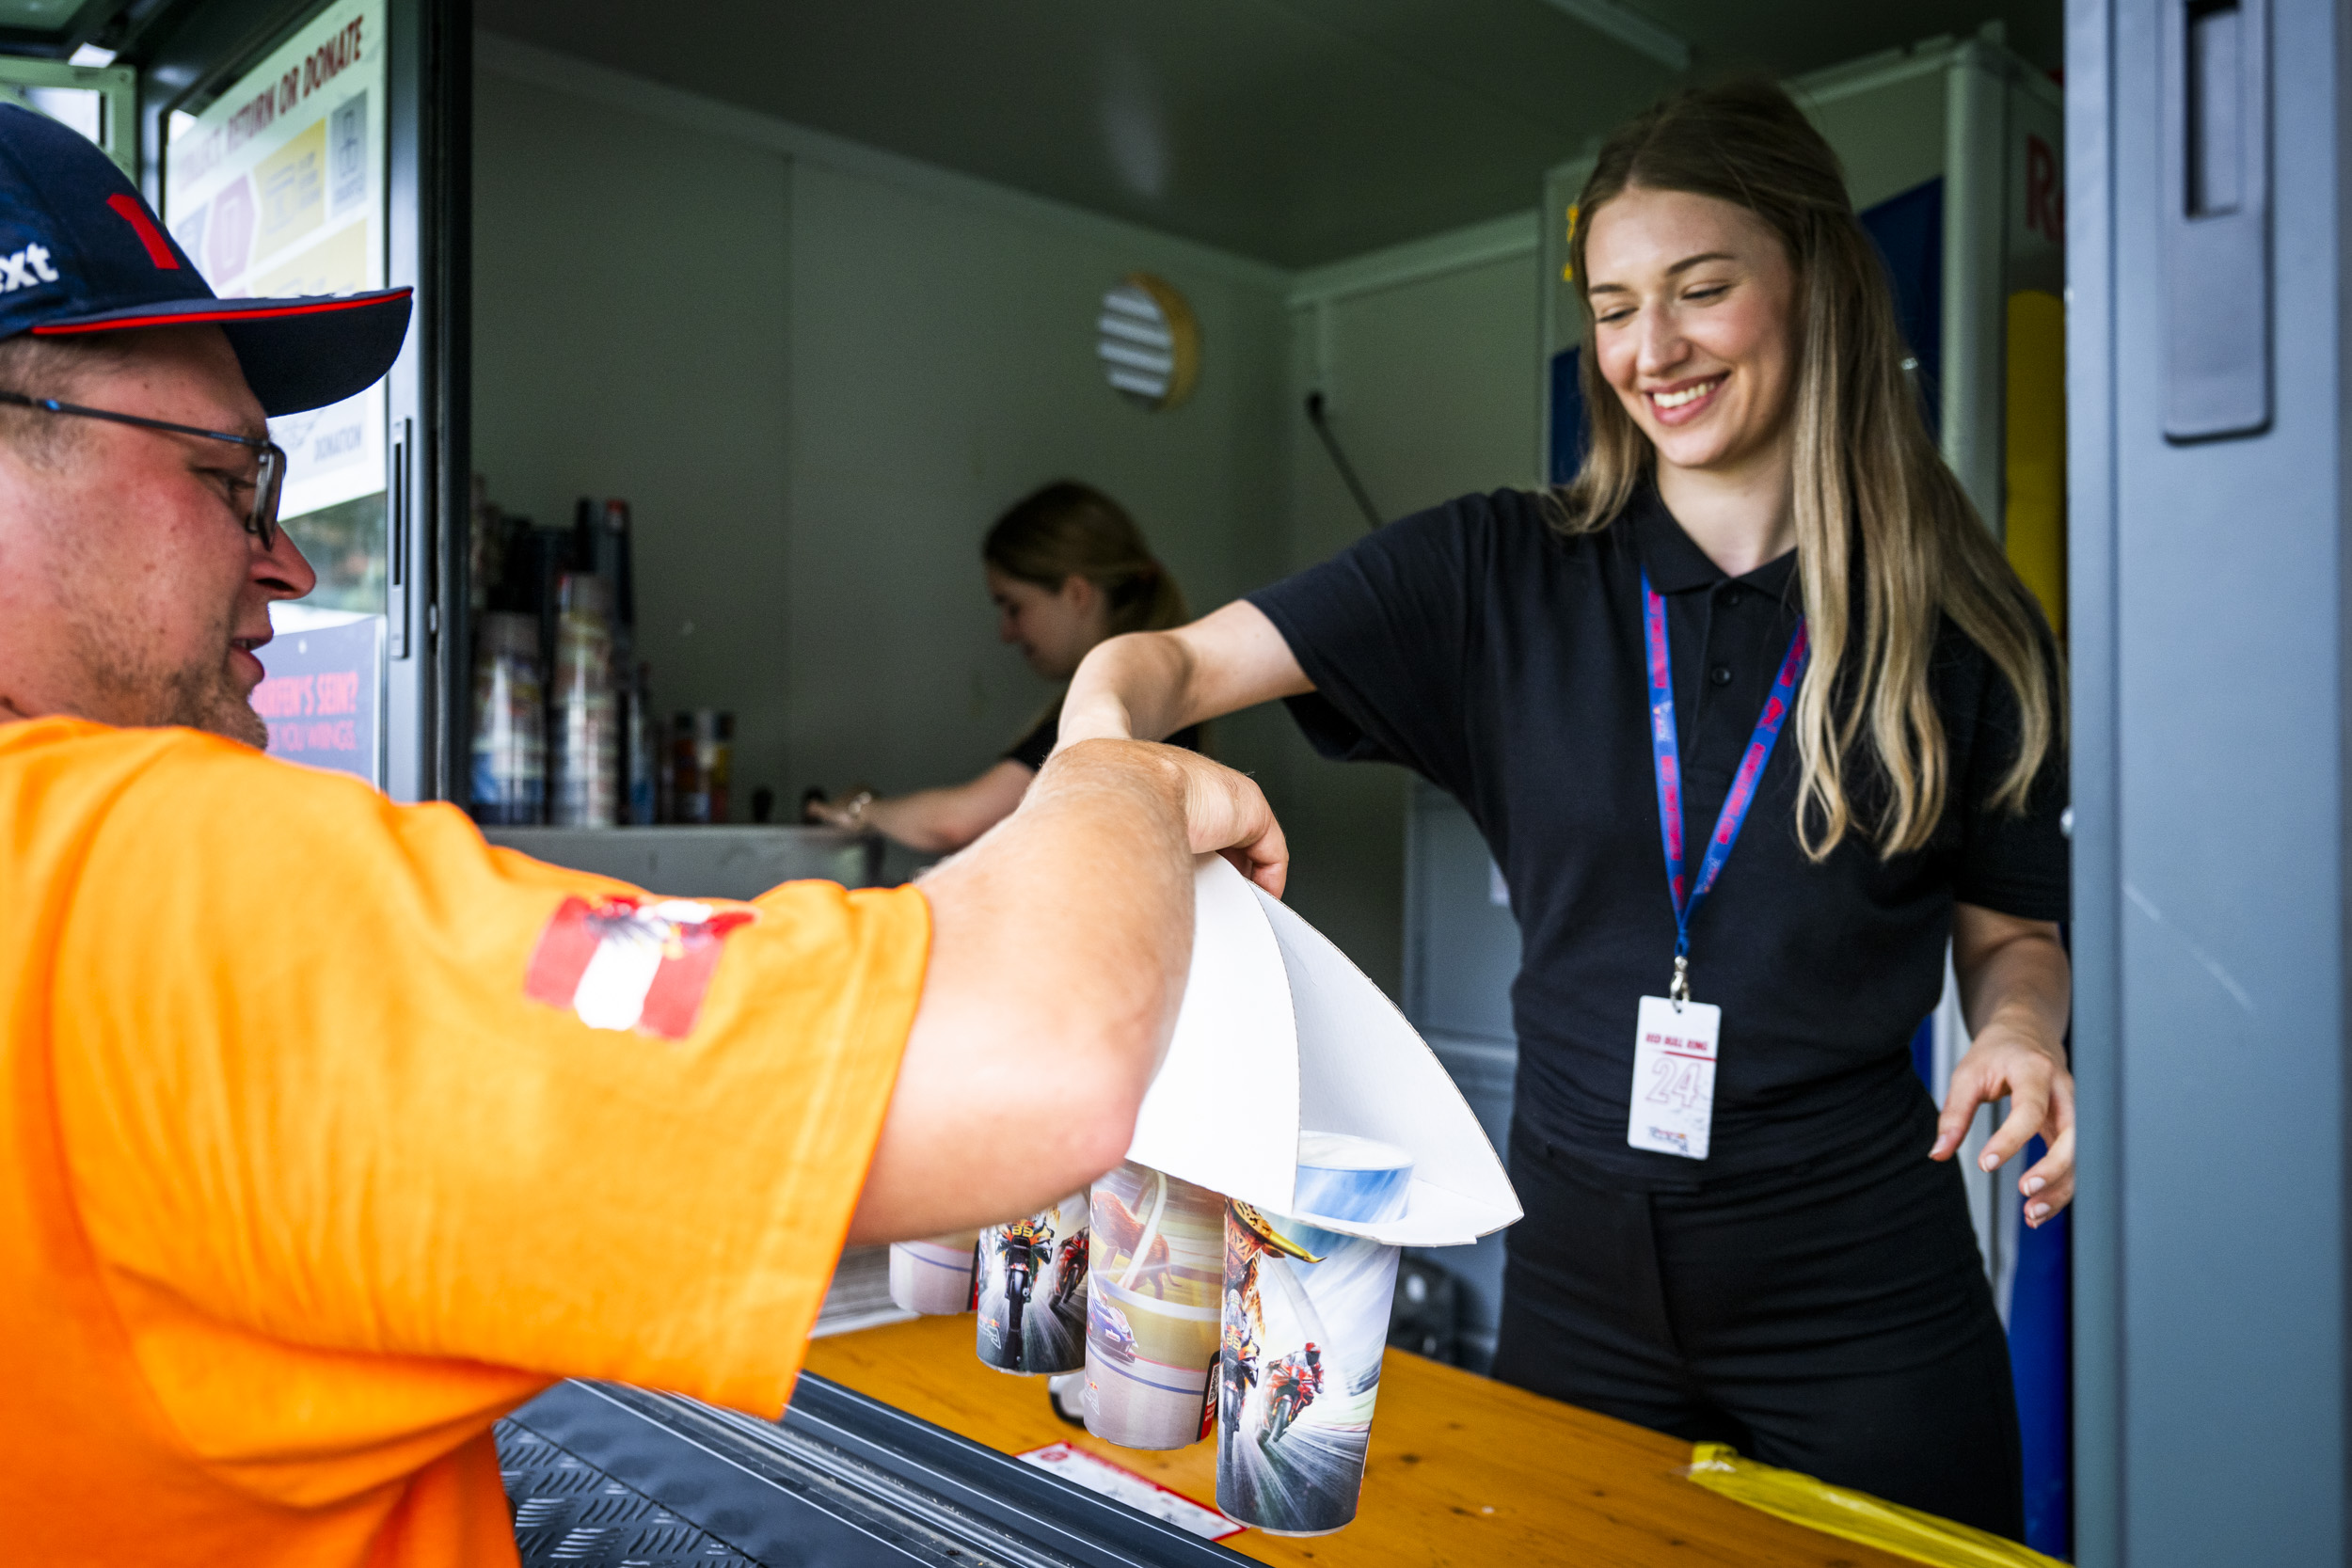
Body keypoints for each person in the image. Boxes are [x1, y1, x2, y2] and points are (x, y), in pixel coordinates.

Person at [0, 104, 1282, 1564]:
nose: (285, 559)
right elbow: (1025, 1053)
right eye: (229, 481)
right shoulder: (142, 883)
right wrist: (1126, 752)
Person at [1058, 80, 2070, 1537]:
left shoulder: (1962, 623)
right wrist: (1106, 766)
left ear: (1817, 286)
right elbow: (1160, 661)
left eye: (1701, 290)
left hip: (1859, 1280)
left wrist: (2024, 1023)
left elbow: (2012, 927)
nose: (1649, 350)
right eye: (1610, 306)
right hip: (1581, 1268)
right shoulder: (1498, 572)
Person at [807, 480, 1199, 850]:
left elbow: (956, 822)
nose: (1006, 633)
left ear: (1077, 593)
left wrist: (860, 811)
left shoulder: (1122, 694)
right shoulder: (1147, 682)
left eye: (1014, 607)